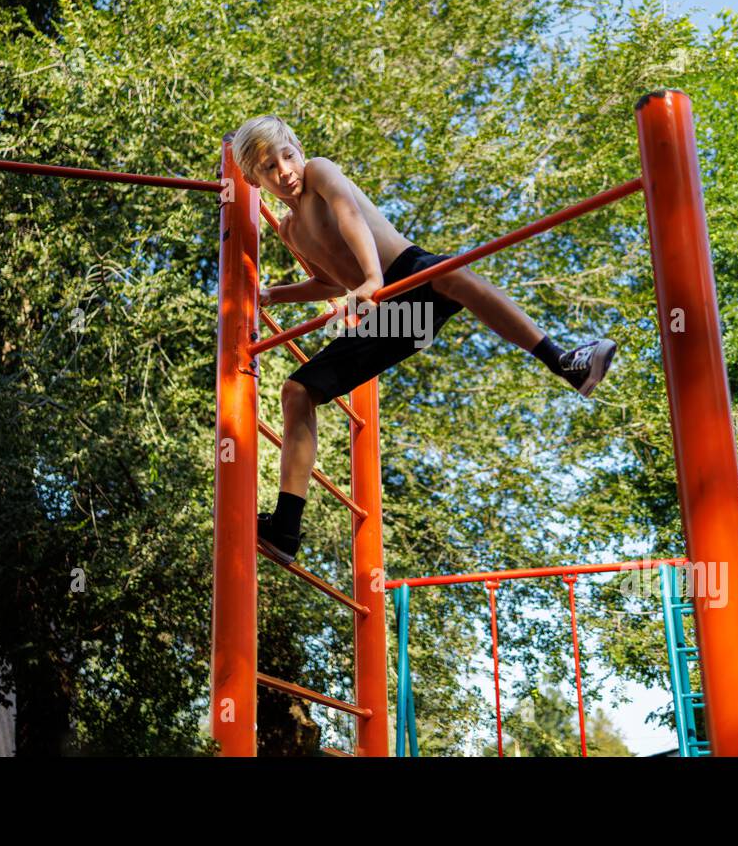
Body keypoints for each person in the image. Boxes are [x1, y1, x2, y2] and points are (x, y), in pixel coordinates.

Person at [233, 115, 616, 563]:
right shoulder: (289, 230)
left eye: (287, 156)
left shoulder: (319, 170)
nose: (285, 171)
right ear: (253, 178)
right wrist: (273, 294)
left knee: (452, 273)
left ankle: (562, 360)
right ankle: (286, 528)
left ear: (299, 150)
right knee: (296, 391)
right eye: (268, 167)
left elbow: (350, 214)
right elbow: (330, 282)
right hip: (396, 316)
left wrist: (373, 278)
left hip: (404, 274)